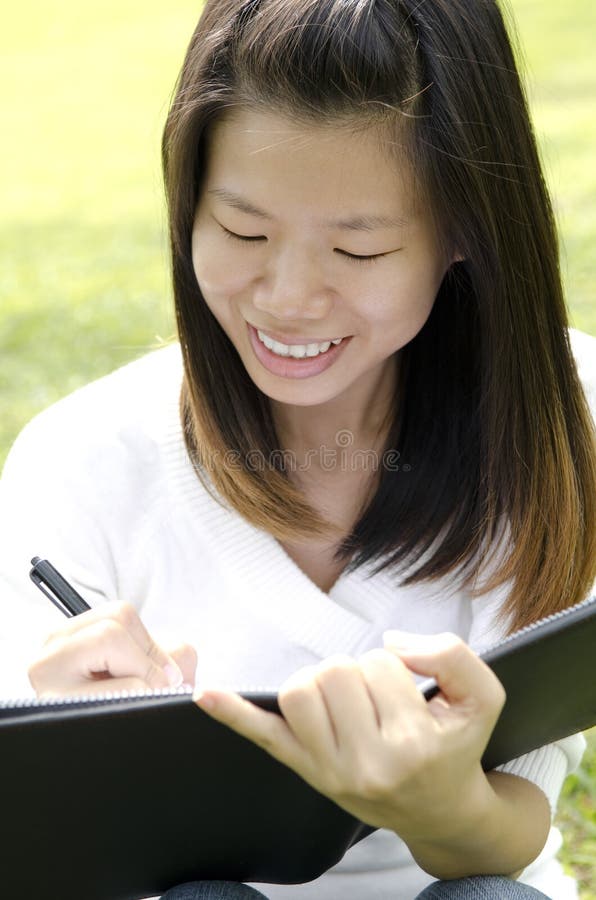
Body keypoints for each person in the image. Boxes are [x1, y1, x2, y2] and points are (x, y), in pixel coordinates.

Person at [0, 0, 595, 898]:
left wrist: (442, 803)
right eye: (243, 232)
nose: (286, 298)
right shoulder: (87, 461)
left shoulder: (560, 419)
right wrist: (59, 753)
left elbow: (514, 827)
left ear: (464, 235)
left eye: (358, 250)